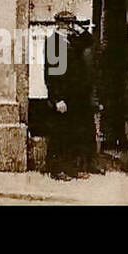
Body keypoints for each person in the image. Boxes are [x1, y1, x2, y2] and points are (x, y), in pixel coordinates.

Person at [44, 11, 97, 180]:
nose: (71, 28)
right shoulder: (53, 43)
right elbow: (51, 75)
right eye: (69, 25)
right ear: (61, 25)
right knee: (59, 134)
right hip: (61, 96)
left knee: (73, 133)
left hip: (74, 95)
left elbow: (90, 41)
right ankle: (56, 169)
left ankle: (71, 169)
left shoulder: (72, 40)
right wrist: (57, 99)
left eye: (72, 25)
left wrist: (80, 30)